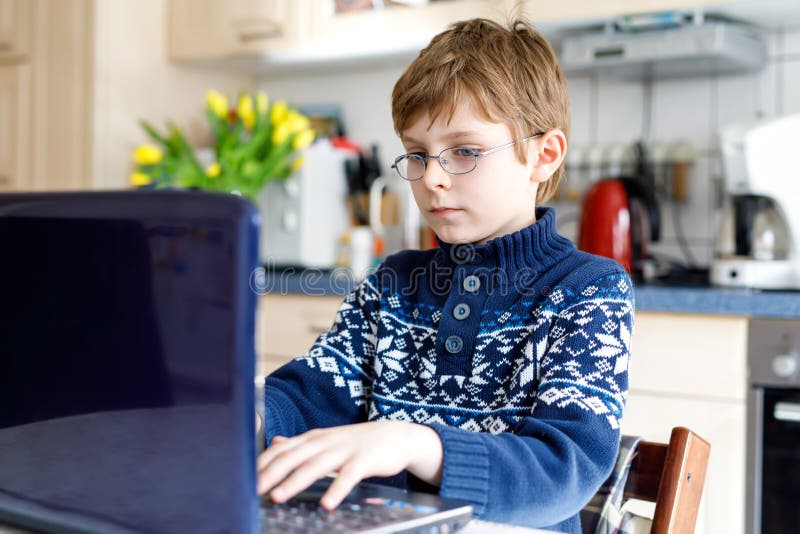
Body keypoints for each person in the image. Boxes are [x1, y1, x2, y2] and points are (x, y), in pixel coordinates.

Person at [256, 17, 634, 533]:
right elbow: (305, 397)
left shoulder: (588, 291)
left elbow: (562, 473)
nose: (432, 177)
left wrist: (412, 441)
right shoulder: (394, 283)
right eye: (417, 154)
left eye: (465, 152)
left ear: (543, 156)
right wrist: (243, 415)